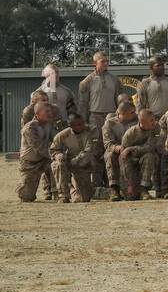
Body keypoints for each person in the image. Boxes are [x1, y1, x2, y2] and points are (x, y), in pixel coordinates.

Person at [78, 52, 123, 188]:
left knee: (110, 147)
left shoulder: (115, 80)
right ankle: (97, 182)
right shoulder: (87, 81)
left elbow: (119, 100)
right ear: (95, 63)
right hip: (94, 117)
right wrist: (84, 122)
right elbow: (83, 103)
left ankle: (111, 181)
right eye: (102, 61)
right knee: (96, 150)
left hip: (111, 117)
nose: (105, 64)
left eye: (107, 61)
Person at [50, 113, 96, 203]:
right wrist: (59, 155)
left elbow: (89, 151)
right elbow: (53, 150)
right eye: (78, 124)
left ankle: (73, 189)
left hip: (82, 164)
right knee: (57, 164)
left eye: (82, 123)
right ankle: (63, 195)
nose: (81, 126)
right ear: (71, 126)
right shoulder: (62, 136)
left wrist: (74, 161)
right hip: (65, 162)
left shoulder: (90, 131)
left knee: (84, 198)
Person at [120, 108, 164, 200]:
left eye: (154, 119)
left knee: (149, 156)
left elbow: (150, 147)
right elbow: (124, 158)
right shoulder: (130, 134)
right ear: (142, 122)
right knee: (130, 197)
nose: (154, 122)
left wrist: (131, 148)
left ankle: (144, 189)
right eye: (151, 120)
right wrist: (129, 184)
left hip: (148, 160)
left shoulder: (156, 128)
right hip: (132, 164)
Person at [16, 102, 55, 202]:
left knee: (57, 164)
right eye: (47, 111)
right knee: (26, 197)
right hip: (30, 164)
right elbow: (39, 147)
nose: (50, 113)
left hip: (44, 159)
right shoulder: (30, 128)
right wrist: (53, 154)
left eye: (50, 111)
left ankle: (55, 192)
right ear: (37, 113)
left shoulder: (49, 125)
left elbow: (54, 141)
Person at [101, 100, 138, 201]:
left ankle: (142, 189)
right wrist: (119, 149)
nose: (135, 114)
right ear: (122, 113)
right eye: (132, 112)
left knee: (132, 196)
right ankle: (115, 190)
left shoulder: (137, 120)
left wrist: (131, 149)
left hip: (133, 151)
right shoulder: (109, 124)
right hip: (117, 152)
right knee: (109, 155)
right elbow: (108, 144)